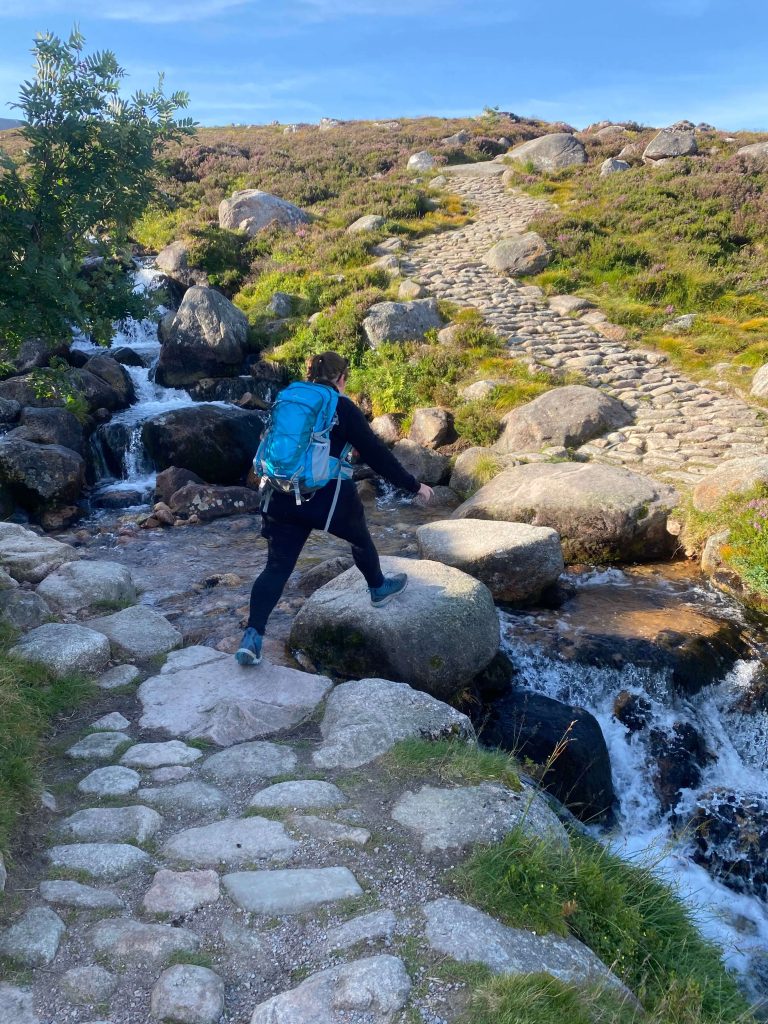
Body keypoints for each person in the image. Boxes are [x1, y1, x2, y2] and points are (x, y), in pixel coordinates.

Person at [236, 351, 434, 666]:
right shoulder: (341, 406)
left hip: (281, 494)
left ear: (310, 373)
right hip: (326, 496)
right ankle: (378, 587)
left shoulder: (289, 399)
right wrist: (413, 485)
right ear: (341, 379)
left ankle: (252, 636)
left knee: (276, 568)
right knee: (359, 537)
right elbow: (376, 454)